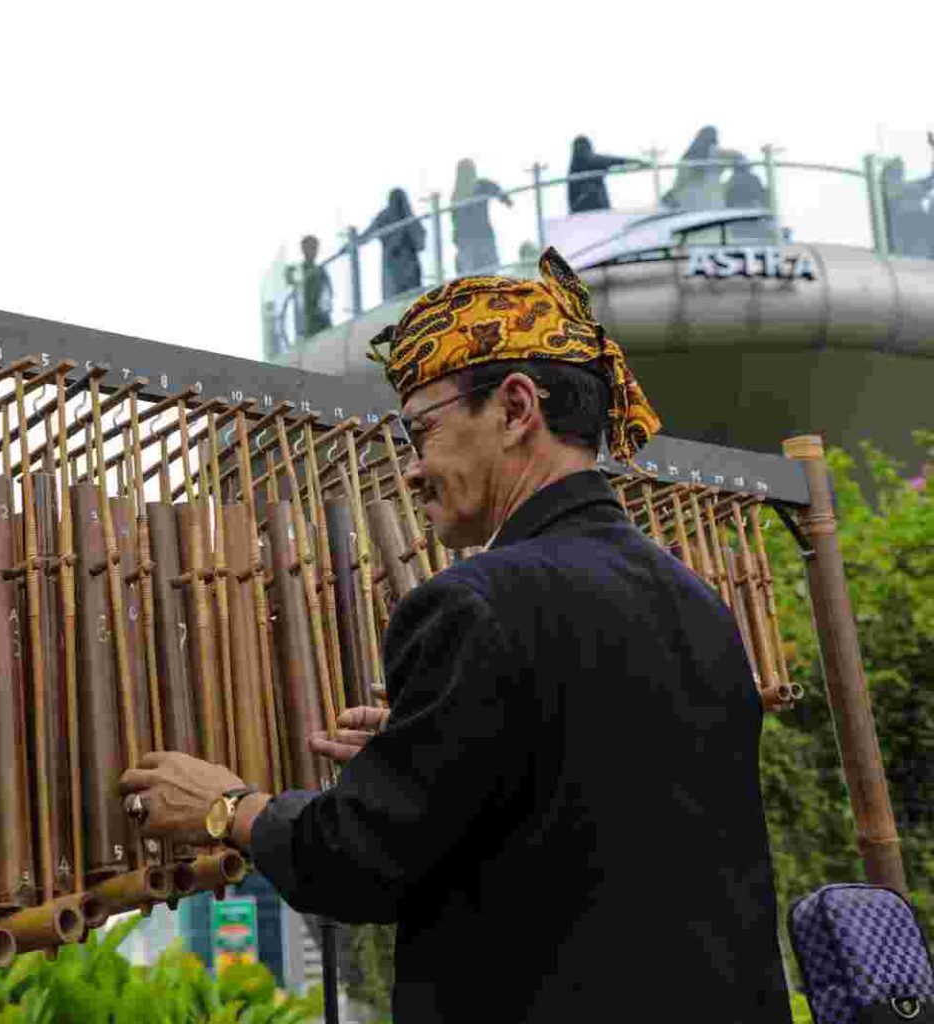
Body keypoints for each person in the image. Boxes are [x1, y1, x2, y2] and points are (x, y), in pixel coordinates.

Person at [119, 247, 791, 1023]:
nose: (409, 470)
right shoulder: (696, 602)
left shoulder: (475, 603)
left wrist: (226, 807)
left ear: (513, 409)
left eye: (419, 433)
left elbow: (365, 863)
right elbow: (585, 808)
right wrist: (426, 752)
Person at [361, 188, 427, 300]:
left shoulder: (408, 217)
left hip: (409, 264)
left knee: (411, 298)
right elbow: (367, 234)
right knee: (397, 299)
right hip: (394, 266)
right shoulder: (385, 217)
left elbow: (421, 240)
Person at [451, 159, 512, 273]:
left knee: (476, 277)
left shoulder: (458, 195)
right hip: (478, 240)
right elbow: (497, 191)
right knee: (485, 274)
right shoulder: (479, 186)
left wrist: (506, 200)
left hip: (470, 241)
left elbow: (454, 222)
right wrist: (507, 200)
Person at [567, 135, 643, 213]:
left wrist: (632, 162)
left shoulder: (577, 164)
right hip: (590, 207)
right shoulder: (583, 161)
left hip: (584, 209)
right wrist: (634, 161)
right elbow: (606, 161)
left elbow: (605, 161)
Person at [285, 234, 333, 337]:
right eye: (310, 247)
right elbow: (290, 280)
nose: (313, 251)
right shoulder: (298, 269)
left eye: (315, 247)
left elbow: (328, 292)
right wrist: (290, 272)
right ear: (303, 249)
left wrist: (324, 308)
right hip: (307, 317)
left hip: (321, 315)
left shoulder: (321, 270)